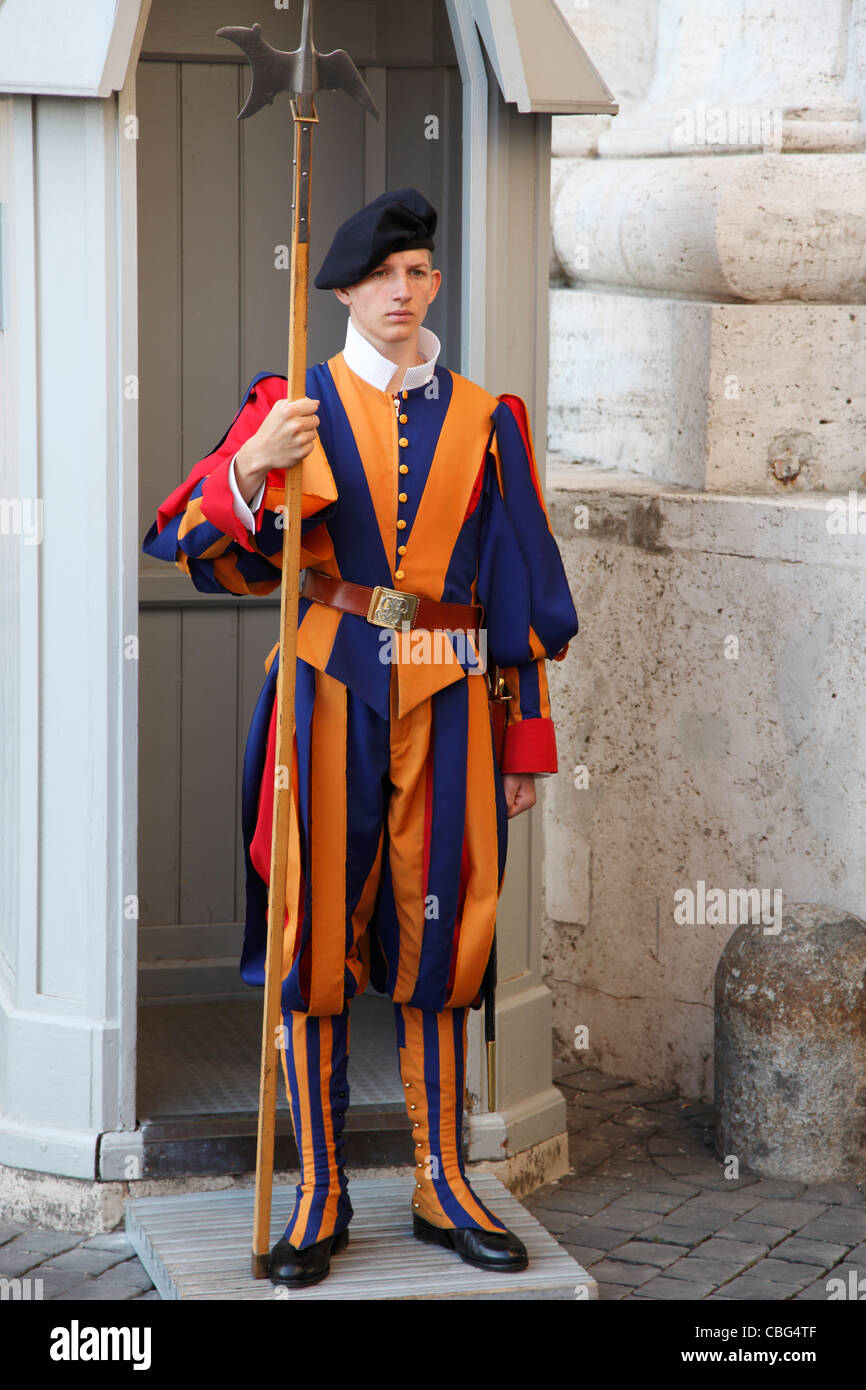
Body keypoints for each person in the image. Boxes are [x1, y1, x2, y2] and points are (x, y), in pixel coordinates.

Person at [142, 188, 578, 1288]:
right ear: (340, 289)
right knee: (314, 938)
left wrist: (523, 743)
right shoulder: (289, 401)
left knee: (444, 941)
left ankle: (441, 1180)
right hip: (324, 694)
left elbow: (520, 592)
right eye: (381, 274)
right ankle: (321, 1189)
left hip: (449, 700)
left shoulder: (489, 420)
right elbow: (183, 536)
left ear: (433, 283)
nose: (401, 290)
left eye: (418, 271)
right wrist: (252, 469)